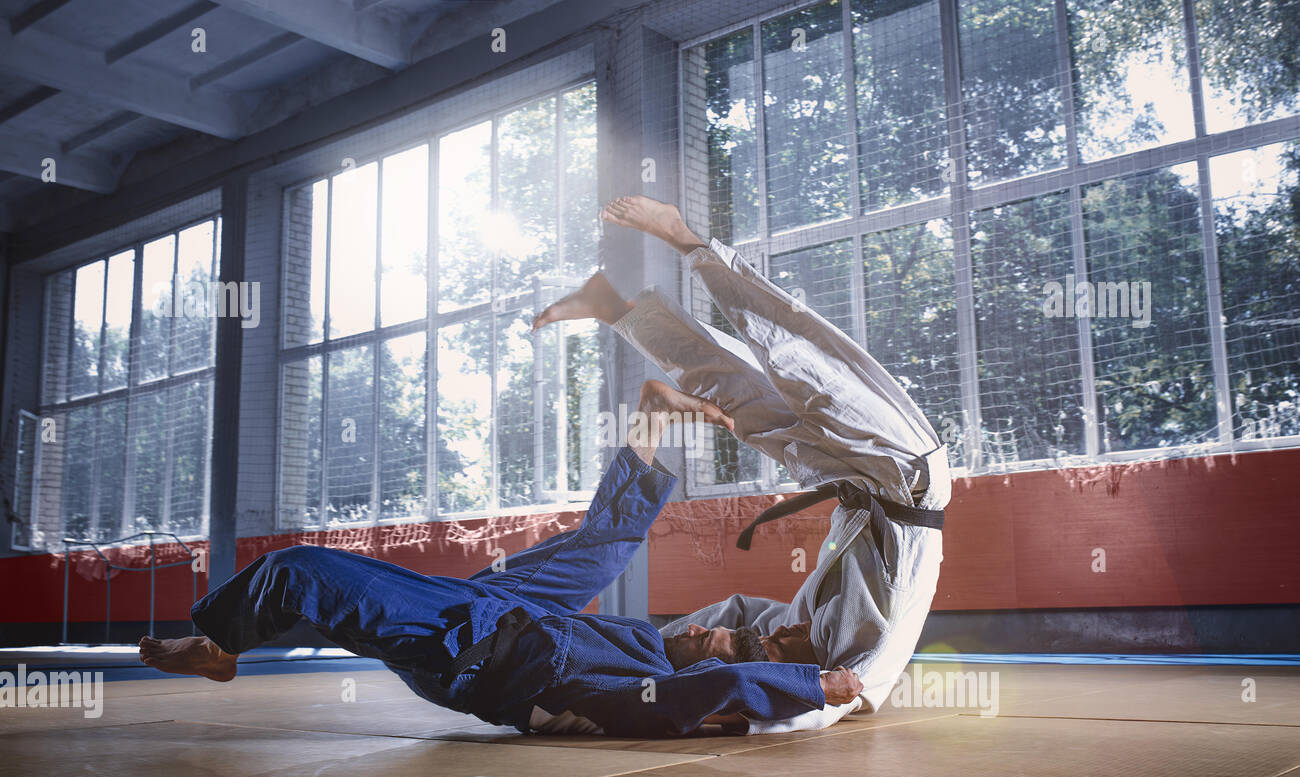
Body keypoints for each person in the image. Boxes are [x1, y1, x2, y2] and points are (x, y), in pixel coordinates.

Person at [138, 377, 864, 738]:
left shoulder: (644, 688)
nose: (706, 628)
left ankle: (219, 645)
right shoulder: (652, 642)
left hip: (473, 648)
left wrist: (804, 684)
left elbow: (701, 696)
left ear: (718, 672)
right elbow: (728, 640)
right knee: (605, 546)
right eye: (724, 629)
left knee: (300, 569)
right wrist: (787, 641)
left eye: (722, 645)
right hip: (520, 613)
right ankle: (651, 414)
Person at [533, 195, 951, 734]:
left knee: (734, 394)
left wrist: (641, 661)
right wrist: (720, 715)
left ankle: (610, 305)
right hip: (905, 470)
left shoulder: (776, 639)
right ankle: (685, 237)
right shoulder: (846, 671)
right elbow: (795, 714)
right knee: (800, 357)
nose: (779, 630)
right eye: (774, 646)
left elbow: (727, 617)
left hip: (849, 482)